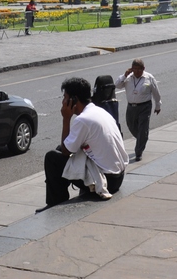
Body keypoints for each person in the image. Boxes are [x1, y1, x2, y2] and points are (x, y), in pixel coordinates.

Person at [39, 77, 127, 211]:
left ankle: (55, 203)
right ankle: (63, 194)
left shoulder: (83, 120)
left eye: (65, 98)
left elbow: (66, 151)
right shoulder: (99, 111)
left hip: (107, 181)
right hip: (118, 177)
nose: (63, 102)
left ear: (73, 100)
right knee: (60, 148)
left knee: (52, 158)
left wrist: (66, 119)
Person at [116, 59, 161, 162]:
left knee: (143, 127)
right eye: (134, 69)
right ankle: (142, 138)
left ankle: (138, 152)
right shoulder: (127, 77)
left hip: (145, 106)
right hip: (131, 107)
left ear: (143, 69)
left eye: (139, 69)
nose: (136, 71)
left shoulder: (149, 78)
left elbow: (156, 93)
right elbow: (117, 85)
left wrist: (158, 105)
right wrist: (124, 75)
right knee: (131, 125)